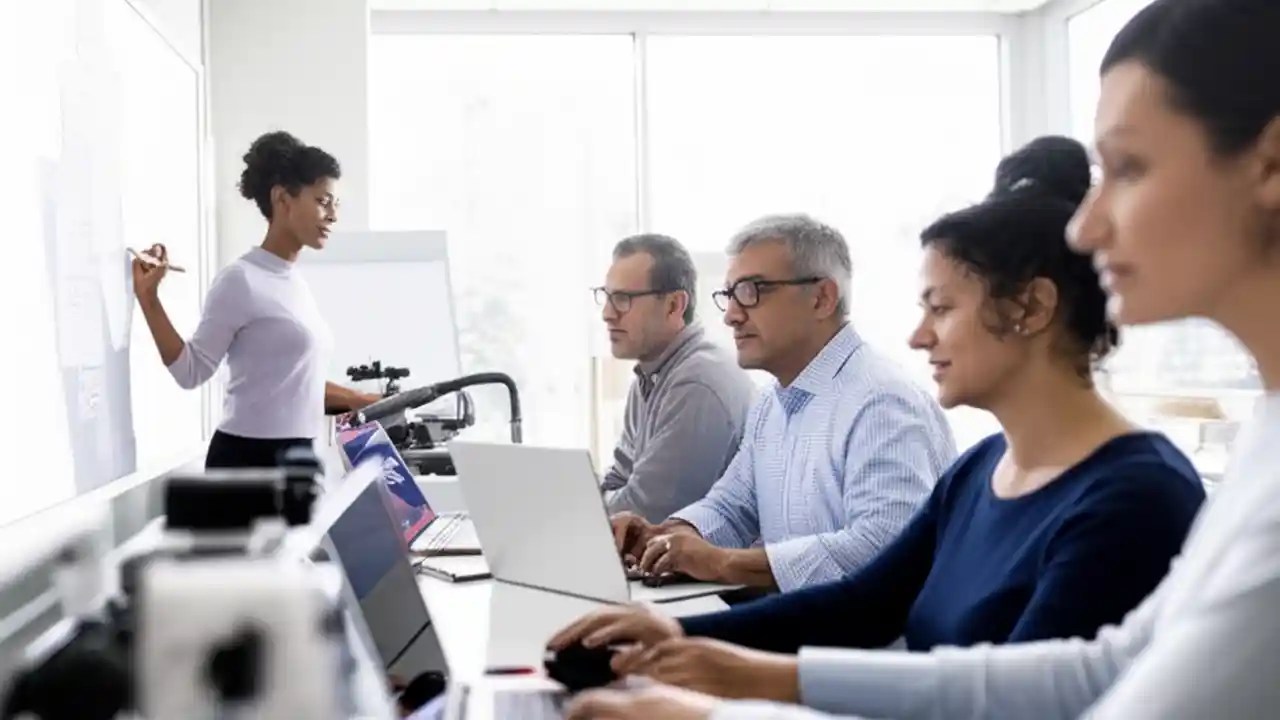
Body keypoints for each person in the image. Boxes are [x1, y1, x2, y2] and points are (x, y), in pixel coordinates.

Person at [565, 0, 1280, 717]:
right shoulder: (990, 468)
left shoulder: (1138, 493)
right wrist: (692, 648)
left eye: (1128, 168)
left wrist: (724, 706)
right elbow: (1091, 668)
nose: (1090, 226)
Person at [548, 136, 1205, 702]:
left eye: (940, 308)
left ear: (1031, 308)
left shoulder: (1134, 497)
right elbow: (866, 602)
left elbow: (1015, 704)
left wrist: (735, 694)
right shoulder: (980, 471)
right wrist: (672, 637)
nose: (919, 337)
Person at [611, 214, 956, 592]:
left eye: (752, 291)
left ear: (822, 298)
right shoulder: (773, 403)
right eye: (729, 295)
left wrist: (721, 562)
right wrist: (666, 536)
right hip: (797, 627)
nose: (731, 315)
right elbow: (731, 506)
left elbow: (883, 550)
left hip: (863, 646)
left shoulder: (881, 402)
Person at [132, 131, 380, 470]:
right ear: (282, 199)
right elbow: (190, 371)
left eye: (336, 204)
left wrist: (366, 400)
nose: (333, 215)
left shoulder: (294, 283)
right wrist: (149, 299)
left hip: (299, 460)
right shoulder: (241, 281)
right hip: (246, 466)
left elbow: (293, 383)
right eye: (323, 201)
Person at [596, 234, 758, 523]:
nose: (607, 314)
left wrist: (586, 512)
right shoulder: (650, 376)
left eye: (622, 299)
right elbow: (615, 484)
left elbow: (644, 516)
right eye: (606, 297)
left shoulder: (698, 384)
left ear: (674, 305)